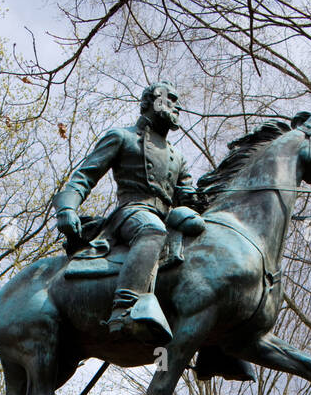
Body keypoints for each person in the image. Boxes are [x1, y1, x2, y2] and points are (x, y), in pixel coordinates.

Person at [52, 82, 202, 343]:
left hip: (169, 215)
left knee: (208, 244)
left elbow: (186, 193)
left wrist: (194, 200)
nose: (177, 107)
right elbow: (84, 177)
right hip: (133, 212)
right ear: (151, 102)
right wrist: (66, 208)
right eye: (171, 100)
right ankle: (125, 309)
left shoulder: (178, 157)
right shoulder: (122, 137)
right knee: (152, 230)